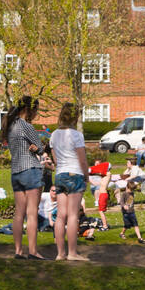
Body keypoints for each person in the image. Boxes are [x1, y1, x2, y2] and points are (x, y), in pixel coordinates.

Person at [4, 95, 47, 260]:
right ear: (29, 109)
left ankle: (18, 251)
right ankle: (33, 251)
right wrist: (37, 149)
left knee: (18, 214)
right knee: (32, 213)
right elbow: (41, 149)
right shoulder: (26, 126)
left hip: (16, 172)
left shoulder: (10, 126)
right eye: (35, 110)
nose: (36, 114)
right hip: (31, 169)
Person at [50, 102, 91, 261]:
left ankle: (60, 253)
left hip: (60, 175)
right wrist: (86, 176)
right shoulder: (76, 135)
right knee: (73, 215)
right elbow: (82, 159)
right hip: (75, 174)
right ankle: (73, 253)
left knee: (60, 216)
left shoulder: (53, 135)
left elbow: (55, 158)